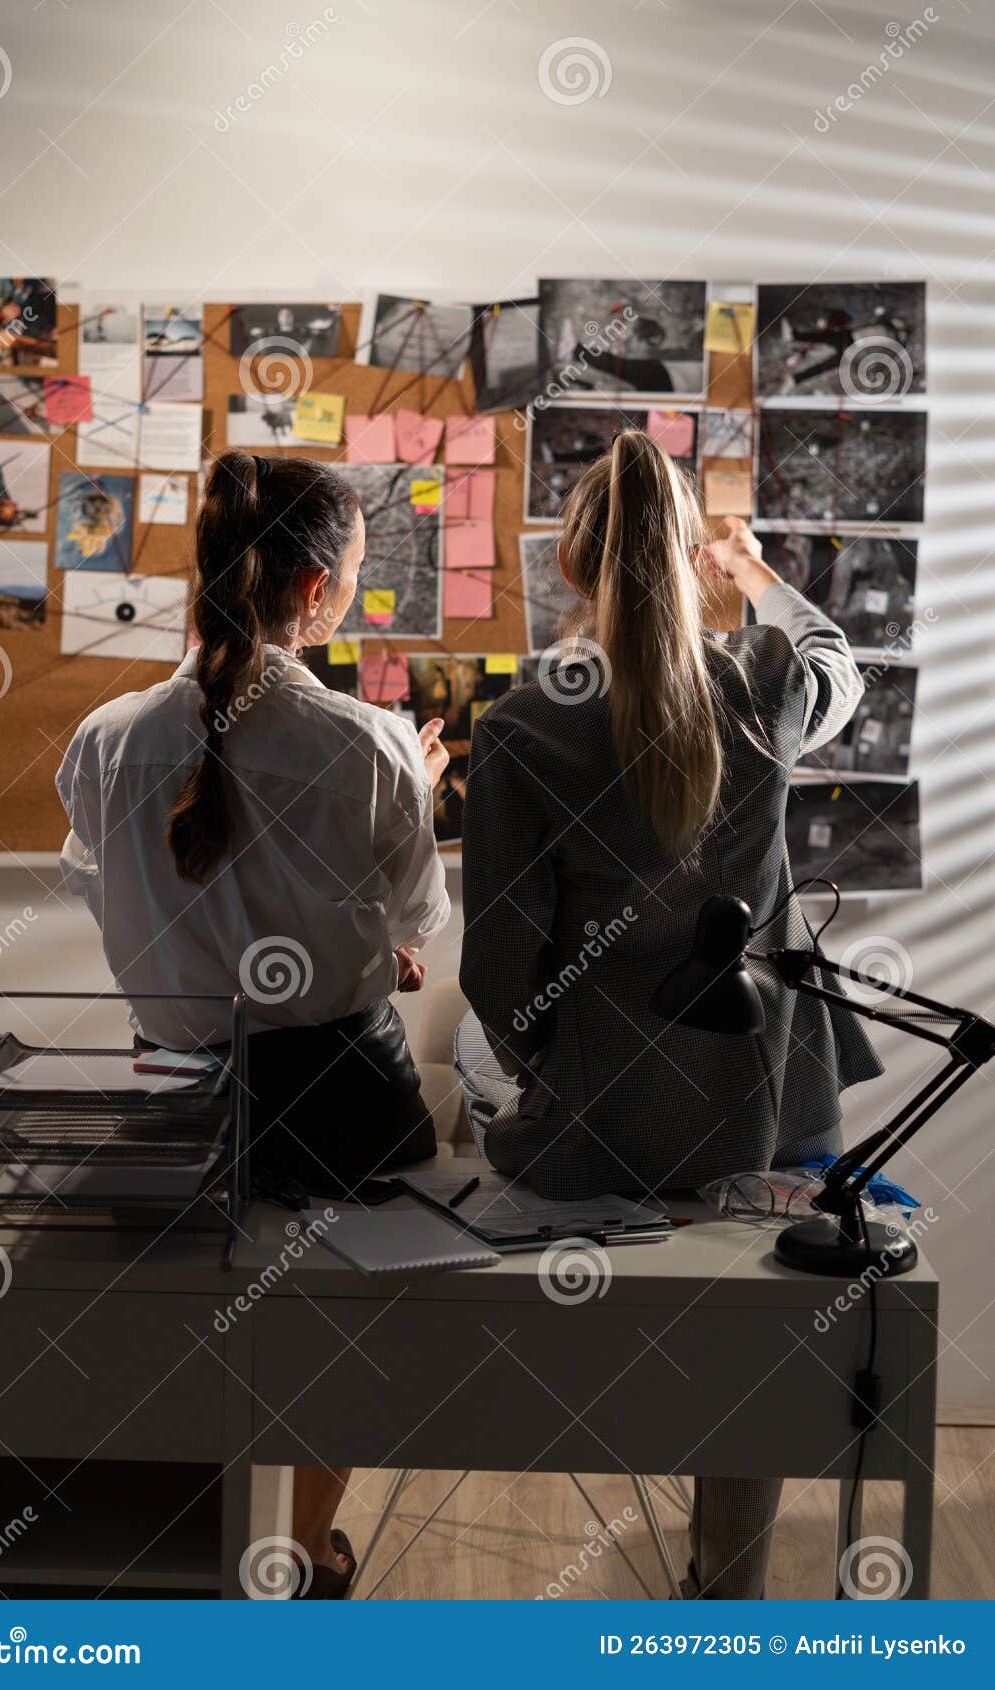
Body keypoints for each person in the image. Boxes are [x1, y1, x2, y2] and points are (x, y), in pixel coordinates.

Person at [455, 429, 882, 1601]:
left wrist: (543, 1067)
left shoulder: (522, 726)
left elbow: (497, 968)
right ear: (690, 556)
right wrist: (749, 568)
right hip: (769, 1116)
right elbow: (835, 655)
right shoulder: (764, 683)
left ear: (570, 565)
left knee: (465, 1078)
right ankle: (727, 1589)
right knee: (755, 1361)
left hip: (598, 1130)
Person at [56, 449, 451, 1596]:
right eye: (353, 578)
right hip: (342, 1102)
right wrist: (413, 799)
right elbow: (415, 918)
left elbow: (112, 893)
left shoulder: (105, 736)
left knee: (189, 1342)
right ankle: (301, 1553)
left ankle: (195, 1564)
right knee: (349, 1340)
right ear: (316, 588)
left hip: (174, 1097)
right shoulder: (368, 741)